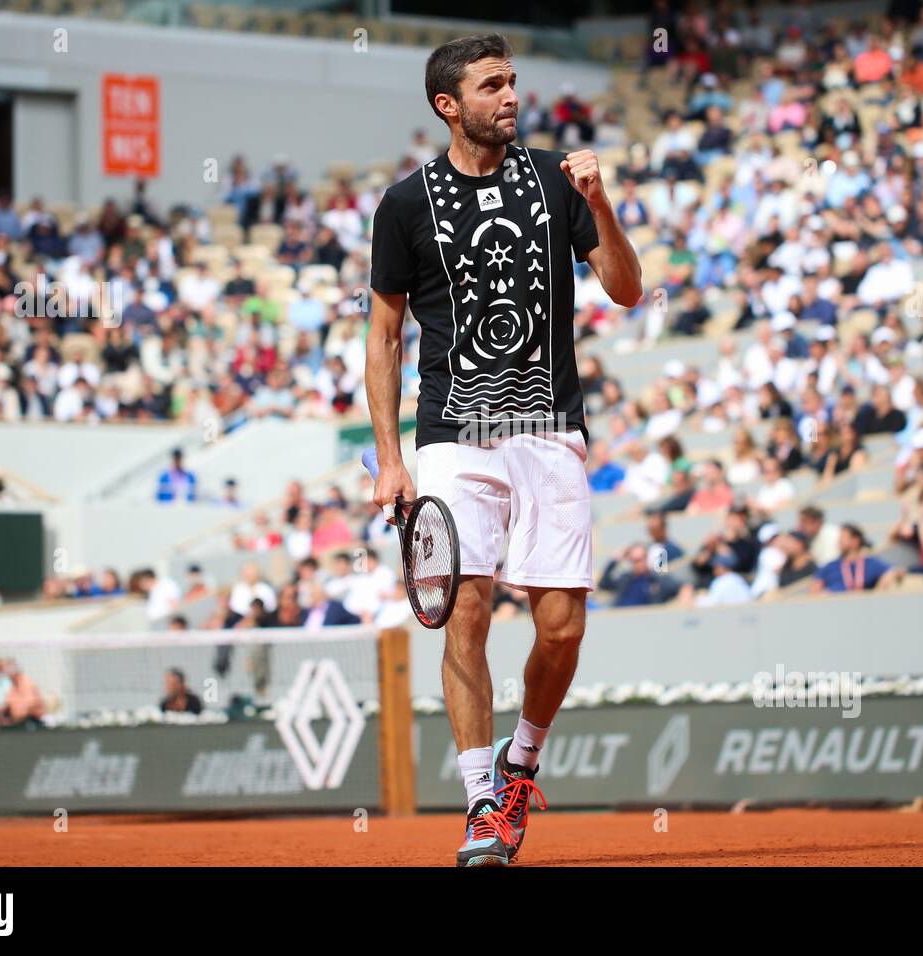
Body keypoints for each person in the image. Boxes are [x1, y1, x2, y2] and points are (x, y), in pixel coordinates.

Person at [364, 34, 641, 868]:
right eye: (492, 85)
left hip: (551, 428)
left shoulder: (560, 180)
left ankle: (523, 763)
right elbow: (382, 335)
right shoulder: (405, 204)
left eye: (513, 81)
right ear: (449, 105)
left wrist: (603, 203)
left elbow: (627, 290)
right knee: (467, 605)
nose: (511, 95)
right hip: (453, 433)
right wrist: (389, 459)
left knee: (560, 629)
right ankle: (482, 801)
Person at [809, 524, 903, 594]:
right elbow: (814, 590)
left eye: (843, 538)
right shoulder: (830, 566)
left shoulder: (870, 563)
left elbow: (896, 572)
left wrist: (881, 586)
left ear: (855, 541)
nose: (839, 541)